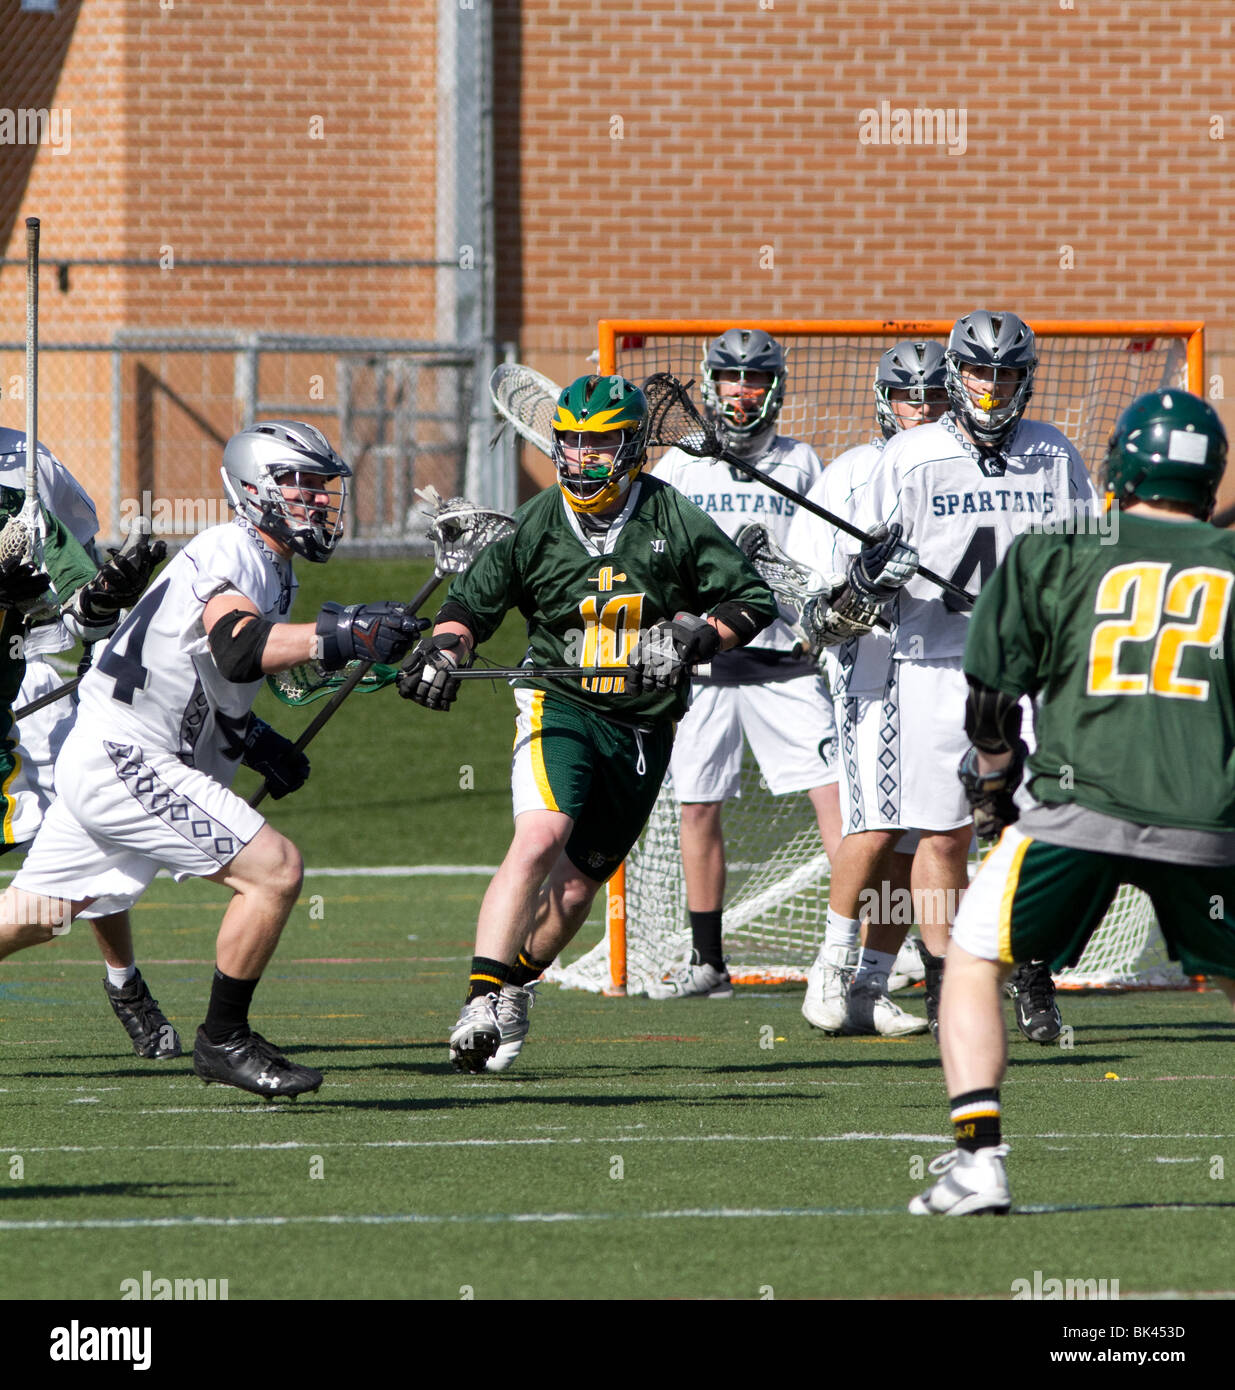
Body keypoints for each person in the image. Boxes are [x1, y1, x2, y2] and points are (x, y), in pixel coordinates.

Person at [0, 421, 425, 1099]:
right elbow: (237, 645)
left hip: (110, 749)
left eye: (323, 488)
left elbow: (198, 675)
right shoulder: (235, 552)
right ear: (258, 490)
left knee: (34, 916)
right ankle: (223, 1040)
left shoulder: (267, 564)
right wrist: (340, 635)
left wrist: (253, 740)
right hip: (126, 757)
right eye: (303, 486)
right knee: (275, 872)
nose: (320, 501)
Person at [911, 387, 1235, 1214]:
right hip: (1208, 826)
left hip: (1078, 806)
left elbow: (990, 695)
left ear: (1120, 463)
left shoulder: (1061, 544)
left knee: (971, 961)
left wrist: (993, 778)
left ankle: (977, 1162)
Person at [399, 373, 778, 1071]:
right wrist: (445, 650)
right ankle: (478, 998)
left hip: (642, 729)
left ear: (631, 448)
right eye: (570, 444)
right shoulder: (538, 523)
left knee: (576, 888)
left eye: (599, 446)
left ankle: (515, 987)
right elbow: (469, 608)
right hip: (559, 703)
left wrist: (701, 635)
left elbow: (750, 597)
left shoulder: (671, 518)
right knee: (540, 835)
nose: (580, 460)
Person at [807, 311, 1095, 1042]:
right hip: (928, 665)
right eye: (977, 371)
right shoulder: (909, 455)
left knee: (1029, 827)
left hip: (1025, 667)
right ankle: (943, 988)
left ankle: (1033, 978)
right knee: (939, 835)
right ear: (955, 374)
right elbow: (847, 587)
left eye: (1004, 374)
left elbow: (1086, 555)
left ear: (1024, 380)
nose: (990, 387)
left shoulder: (1053, 454)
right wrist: (873, 576)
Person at [647, 328, 839, 998]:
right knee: (697, 808)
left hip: (782, 662)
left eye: (754, 378)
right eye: (730, 378)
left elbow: (820, 556)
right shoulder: (680, 467)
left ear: (774, 387)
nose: (740, 390)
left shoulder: (800, 463)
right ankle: (709, 963)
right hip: (701, 669)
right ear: (710, 383)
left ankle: (854, 952)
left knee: (837, 800)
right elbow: (652, 556)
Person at [0, 427, 176, 1060]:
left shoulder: (24, 465)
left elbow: (76, 582)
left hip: (29, 681)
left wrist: (102, 601)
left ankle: (124, 983)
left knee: (84, 833)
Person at [789, 340, 948, 1035]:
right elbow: (805, 593)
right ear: (885, 401)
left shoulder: (959, 468)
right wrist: (855, 591)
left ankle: (871, 987)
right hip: (873, 663)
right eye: (909, 395)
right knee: (875, 821)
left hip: (945, 664)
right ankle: (827, 966)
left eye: (934, 394)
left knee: (916, 836)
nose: (922, 407)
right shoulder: (853, 473)